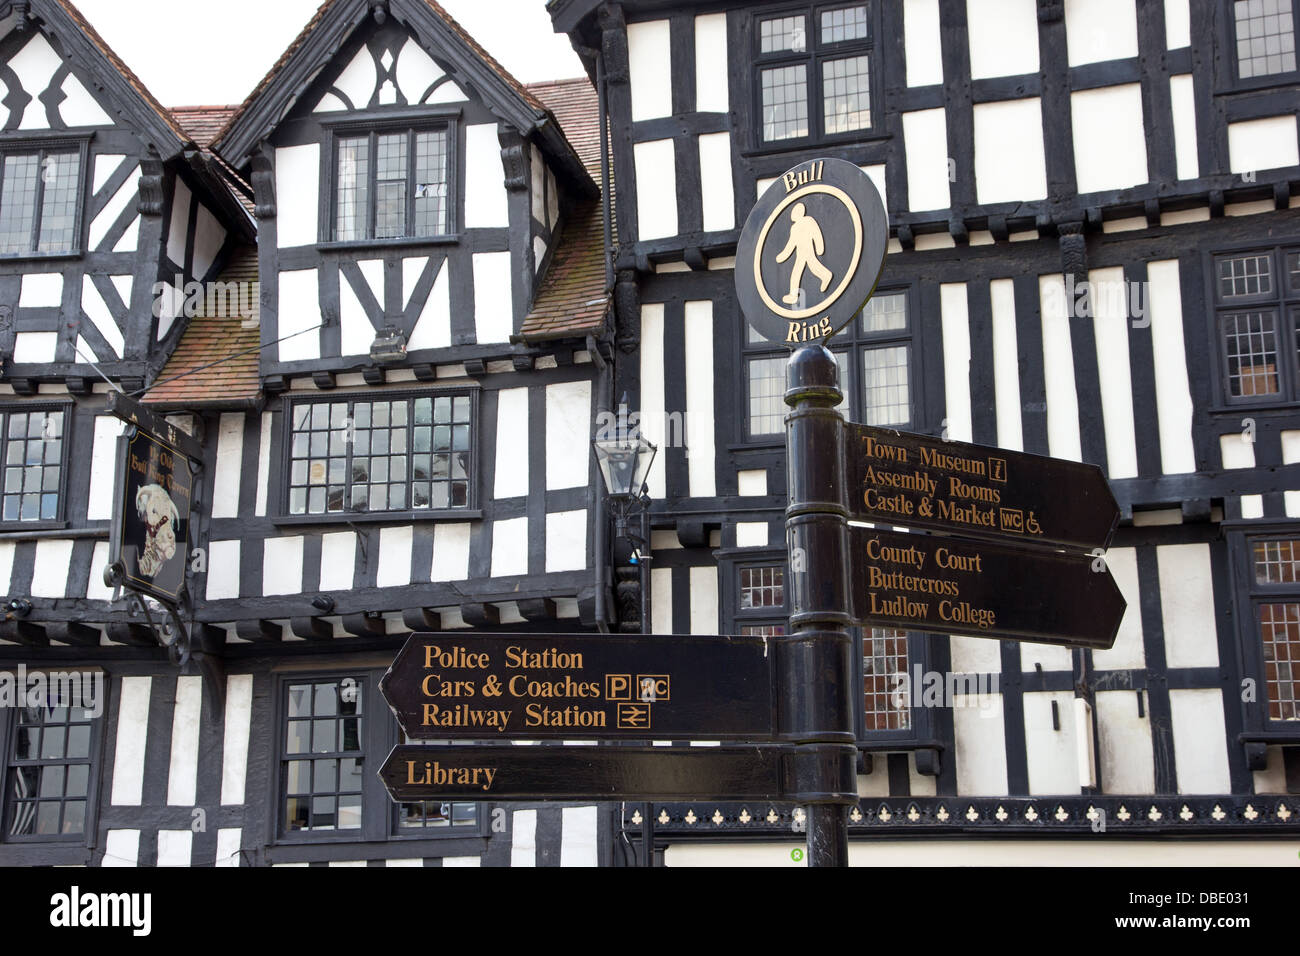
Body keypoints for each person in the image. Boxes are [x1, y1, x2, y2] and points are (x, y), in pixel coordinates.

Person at [774, 202, 833, 306]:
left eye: (794, 212)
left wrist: (820, 247)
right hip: (800, 253)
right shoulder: (794, 228)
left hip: (808, 250)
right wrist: (783, 256)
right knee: (803, 270)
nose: (792, 214)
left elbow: (817, 234)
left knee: (808, 268)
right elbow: (791, 244)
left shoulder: (809, 220)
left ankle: (826, 276)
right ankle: (825, 276)